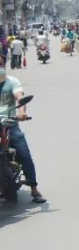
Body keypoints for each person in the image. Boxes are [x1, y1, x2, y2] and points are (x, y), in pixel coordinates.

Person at [0, 65, 45, 203]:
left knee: (24, 153)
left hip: (9, 123)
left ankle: (34, 188)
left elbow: (19, 97)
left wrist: (21, 113)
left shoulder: (12, 81)